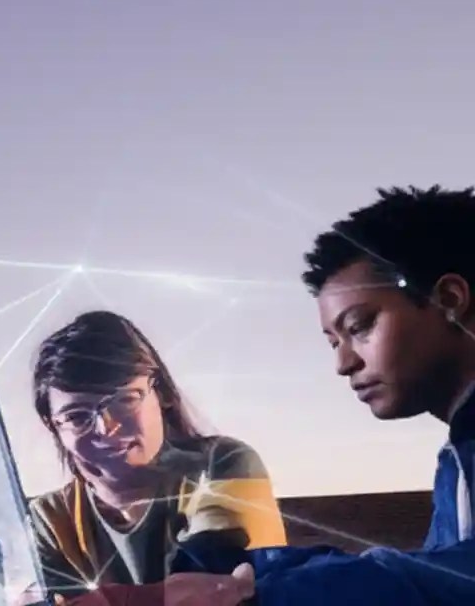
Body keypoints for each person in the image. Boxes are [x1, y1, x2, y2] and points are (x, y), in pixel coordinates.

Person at [74, 186, 475, 605]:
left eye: (359, 327)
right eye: (332, 342)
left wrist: (253, 598)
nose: (344, 363)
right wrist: (225, 570)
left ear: (448, 300)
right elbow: (435, 572)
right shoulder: (458, 457)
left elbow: (450, 583)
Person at [27, 310, 286, 603]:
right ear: (52, 426)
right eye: (76, 417)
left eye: (125, 399)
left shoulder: (223, 464)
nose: (106, 428)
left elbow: (207, 590)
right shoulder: (50, 519)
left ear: (160, 391)